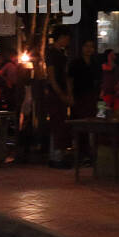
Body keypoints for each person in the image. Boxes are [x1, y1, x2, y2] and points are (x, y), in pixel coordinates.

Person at [45, 28, 72, 167]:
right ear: (61, 37)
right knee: (57, 124)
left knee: (61, 123)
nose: (68, 41)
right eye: (66, 38)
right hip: (56, 94)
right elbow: (51, 76)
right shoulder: (52, 54)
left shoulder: (61, 54)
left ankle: (58, 155)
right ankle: (56, 156)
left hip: (59, 92)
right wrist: (61, 93)